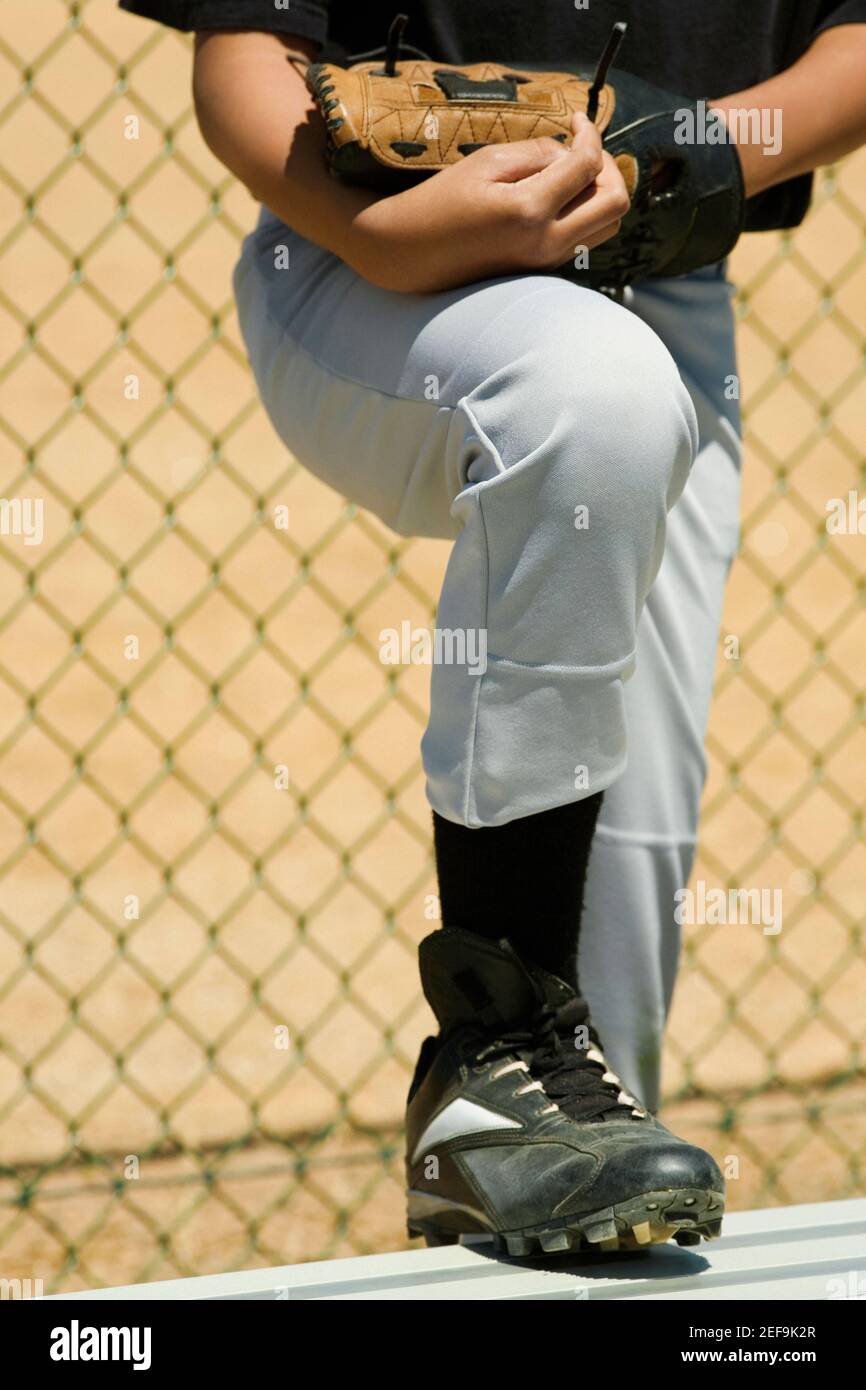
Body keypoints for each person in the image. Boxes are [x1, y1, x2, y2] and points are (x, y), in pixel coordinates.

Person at [119, 0, 866, 1254]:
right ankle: (490, 1045)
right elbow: (244, 52)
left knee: (629, 855)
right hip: (360, 258)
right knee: (590, 388)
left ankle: (555, 1178)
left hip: (660, 271)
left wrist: (673, 150)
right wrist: (374, 225)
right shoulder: (374, 237)